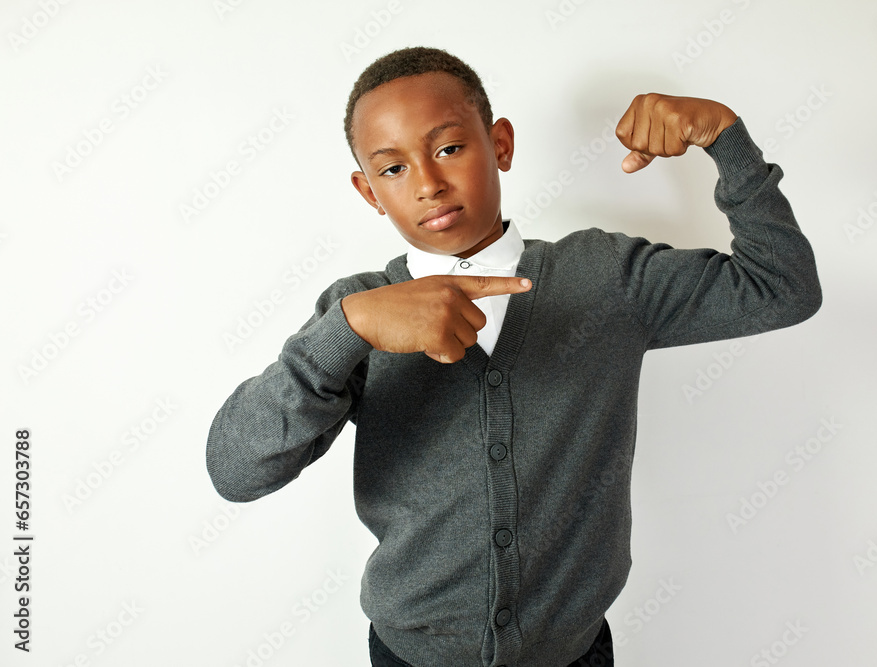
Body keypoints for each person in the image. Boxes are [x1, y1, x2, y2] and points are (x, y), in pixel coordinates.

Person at [206, 46, 822, 667]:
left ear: (499, 144)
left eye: (449, 148)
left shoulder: (606, 277)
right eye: (393, 170)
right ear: (369, 193)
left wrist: (726, 140)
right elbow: (236, 470)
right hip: (410, 655)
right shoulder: (359, 310)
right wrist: (349, 328)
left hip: (573, 652)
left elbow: (783, 288)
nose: (427, 183)